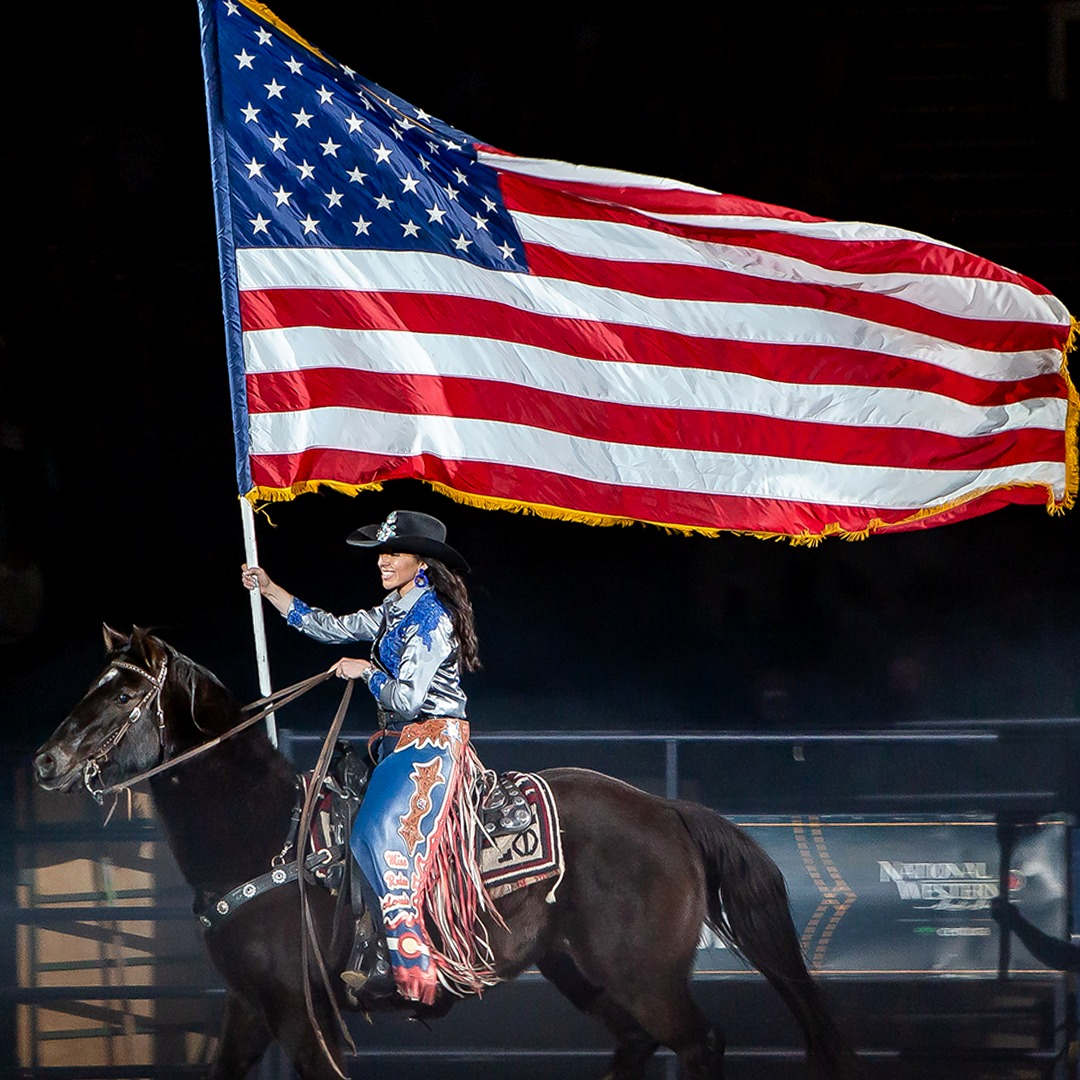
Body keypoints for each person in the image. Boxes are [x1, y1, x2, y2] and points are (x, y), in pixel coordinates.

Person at [241, 510, 489, 1005]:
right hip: (397, 742)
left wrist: (364, 671)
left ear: (421, 564)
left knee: (375, 830)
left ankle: (412, 956)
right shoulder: (393, 611)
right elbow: (330, 626)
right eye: (382, 551)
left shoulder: (431, 617)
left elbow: (407, 699)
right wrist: (268, 588)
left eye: (394, 552)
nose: (383, 560)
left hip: (431, 741)